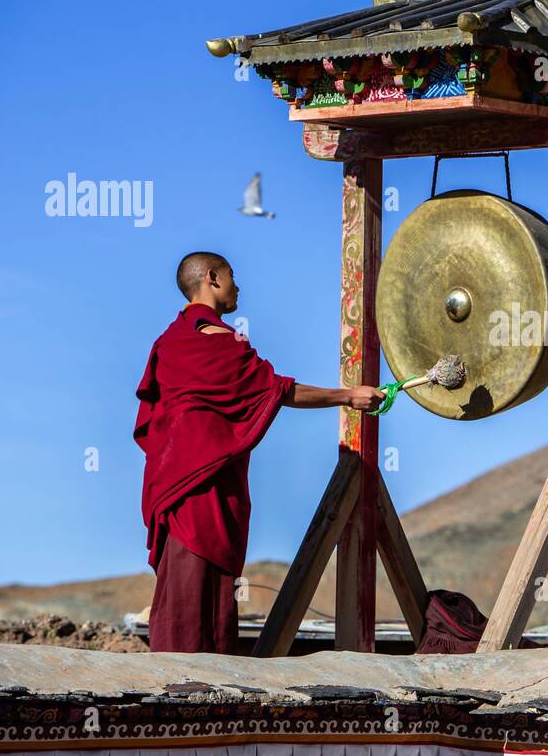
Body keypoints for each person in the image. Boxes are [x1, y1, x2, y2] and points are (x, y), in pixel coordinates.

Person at [133, 251, 384, 653]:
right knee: (199, 593)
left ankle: (182, 686)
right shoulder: (218, 341)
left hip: (175, 486)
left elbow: (155, 420)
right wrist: (349, 396)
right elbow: (280, 390)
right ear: (212, 278)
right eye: (233, 277)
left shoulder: (167, 343)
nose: (239, 286)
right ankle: (192, 689)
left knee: (183, 590)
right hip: (203, 490)